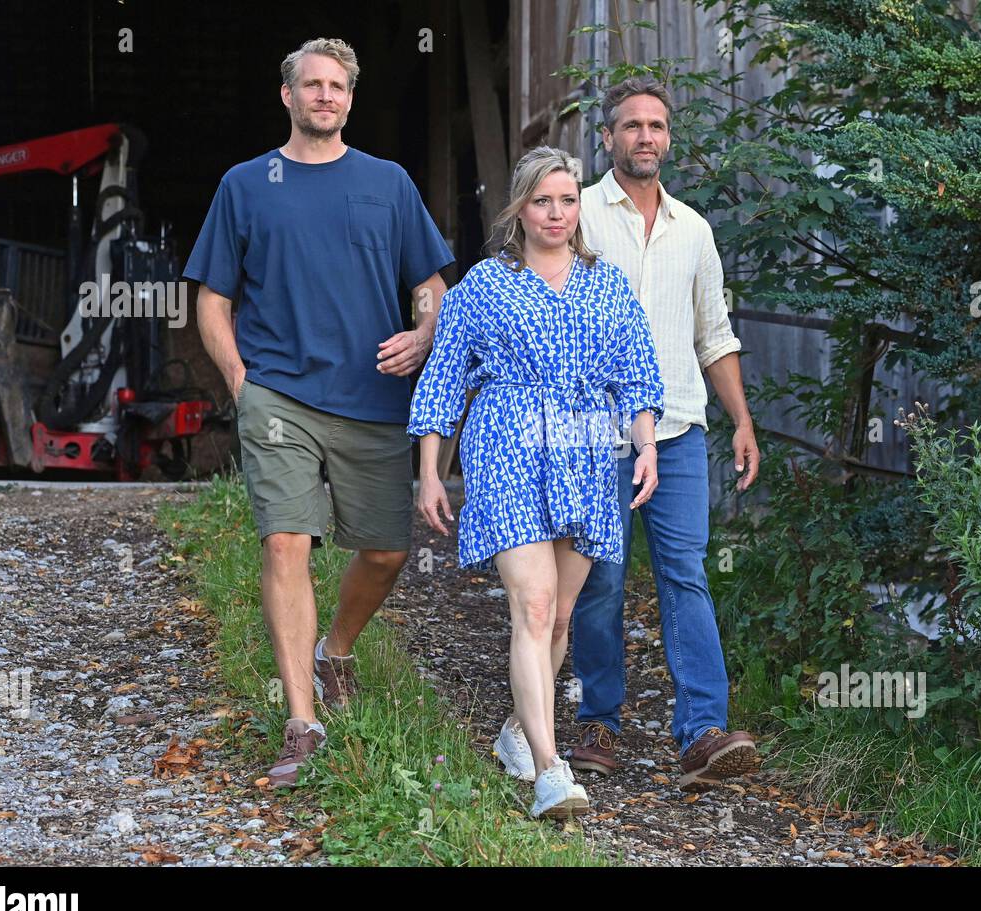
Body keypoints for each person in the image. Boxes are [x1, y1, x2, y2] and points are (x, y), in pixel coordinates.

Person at [183, 38, 454, 788]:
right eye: (312, 85)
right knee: (285, 542)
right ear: (288, 95)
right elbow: (211, 298)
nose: (325, 96)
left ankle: (334, 650)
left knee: (387, 551)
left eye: (337, 87)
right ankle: (302, 721)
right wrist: (240, 380)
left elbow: (430, 284)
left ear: (350, 99)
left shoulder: (387, 183)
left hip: (371, 397)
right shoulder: (246, 185)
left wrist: (427, 330)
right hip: (278, 393)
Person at [409, 145, 665, 819]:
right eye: (542, 200)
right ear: (519, 207)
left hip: (587, 450)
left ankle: (522, 730)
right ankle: (551, 772)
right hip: (508, 448)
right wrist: (430, 472)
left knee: (558, 617)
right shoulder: (484, 286)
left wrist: (645, 449)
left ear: (579, 207)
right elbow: (442, 380)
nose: (556, 213)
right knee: (533, 606)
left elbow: (638, 374)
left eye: (567, 199)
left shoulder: (606, 283)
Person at [570, 77, 763, 790]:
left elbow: (715, 334)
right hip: (599, 432)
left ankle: (703, 733)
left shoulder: (694, 229)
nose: (644, 137)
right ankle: (598, 719)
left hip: (680, 428)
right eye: (631, 126)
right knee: (603, 578)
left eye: (655, 126)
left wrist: (741, 421)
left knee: (687, 575)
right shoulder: (579, 213)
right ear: (607, 137)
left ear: (668, 138)